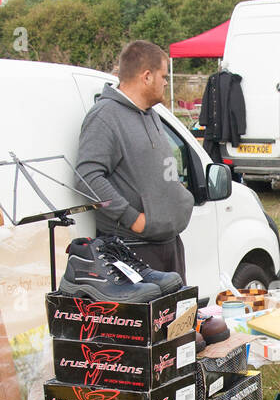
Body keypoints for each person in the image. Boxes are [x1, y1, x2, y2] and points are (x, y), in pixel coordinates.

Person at [76, 40, 194, 278]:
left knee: (179, 316)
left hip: (167, 245)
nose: (166, 82)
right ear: (147, 76)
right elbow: (87, 178)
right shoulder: (106, 116)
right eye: (164, 75)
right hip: (135, 250)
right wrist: (133, 219)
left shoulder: (151, 114)